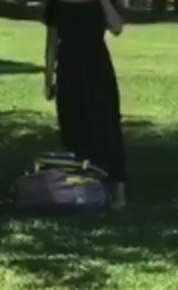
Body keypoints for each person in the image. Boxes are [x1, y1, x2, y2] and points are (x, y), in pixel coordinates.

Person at [43, 0, 127, 210]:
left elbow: (116, 28)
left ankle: (117, 192)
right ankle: (84, 186)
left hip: (97, 69)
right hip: (68, 70)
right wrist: (48, 77)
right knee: (73, 128)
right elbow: (52, 40)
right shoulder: (57, 4)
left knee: (106, 127)